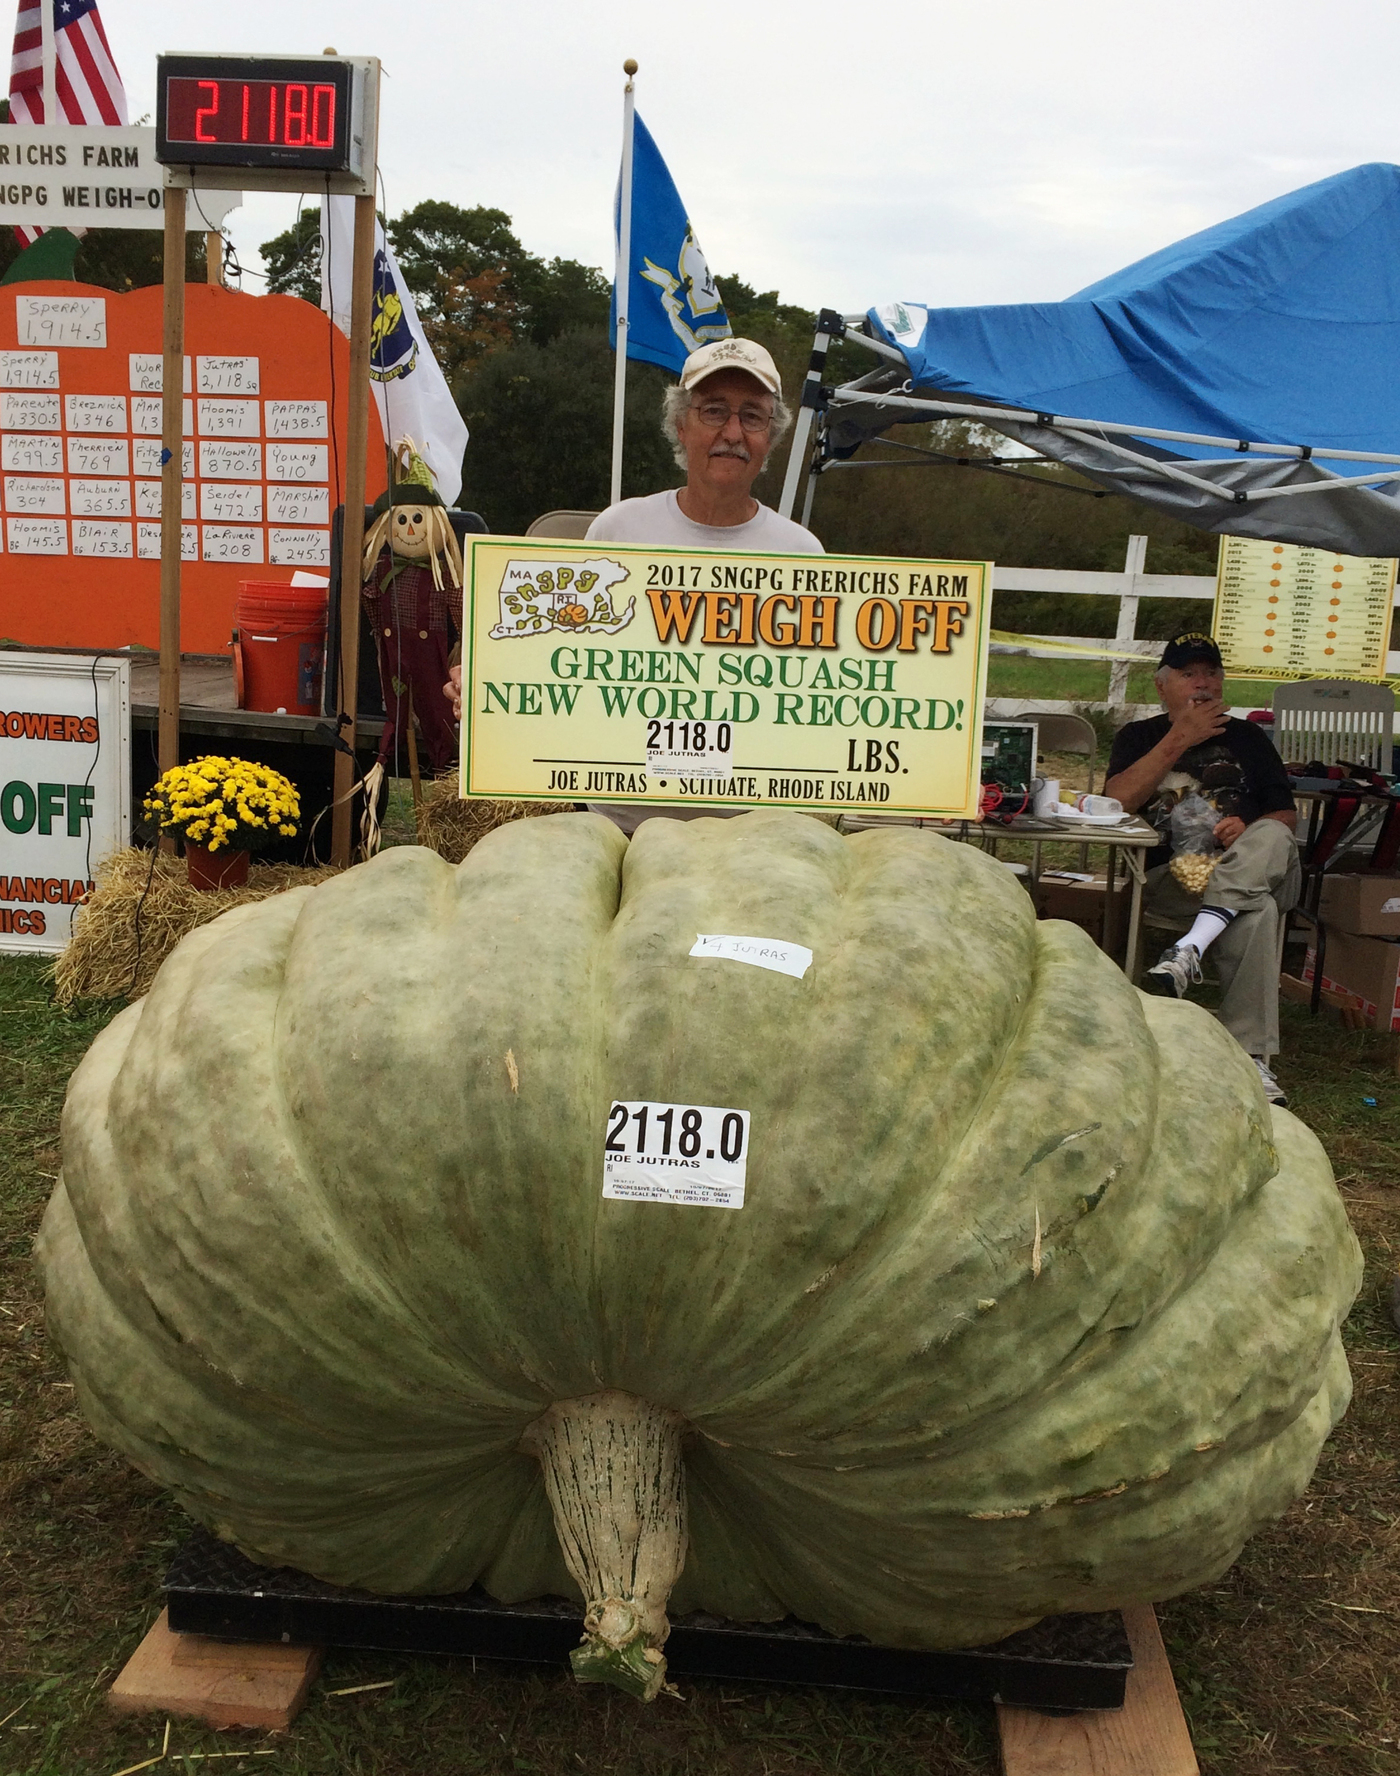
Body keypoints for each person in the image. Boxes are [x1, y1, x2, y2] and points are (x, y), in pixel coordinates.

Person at [445, 338, 823, 828]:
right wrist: (487, 687)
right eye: (714, 411)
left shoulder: (801, 554)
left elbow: (816, 700)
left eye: (753, 416)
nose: (733, 431)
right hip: (620, 824)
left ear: (770, 438)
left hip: (747, 833)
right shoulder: (618, 529)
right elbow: (556, 658)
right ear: (681, 426)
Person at [1104, 632, 1299, 1105]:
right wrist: (1179, 738)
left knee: (1272, 836)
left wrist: (1247, 827)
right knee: (1258, 913)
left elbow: (1285, 815)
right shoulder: (1140, 738)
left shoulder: (1249, 738)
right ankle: (1248, 1056)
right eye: (1189, 674)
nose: (1203, 683)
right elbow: (1116, 802)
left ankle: (1190, 946)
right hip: (1178, 878)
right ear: (1162, 686)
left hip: (1251, 864)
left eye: (1211, 672)